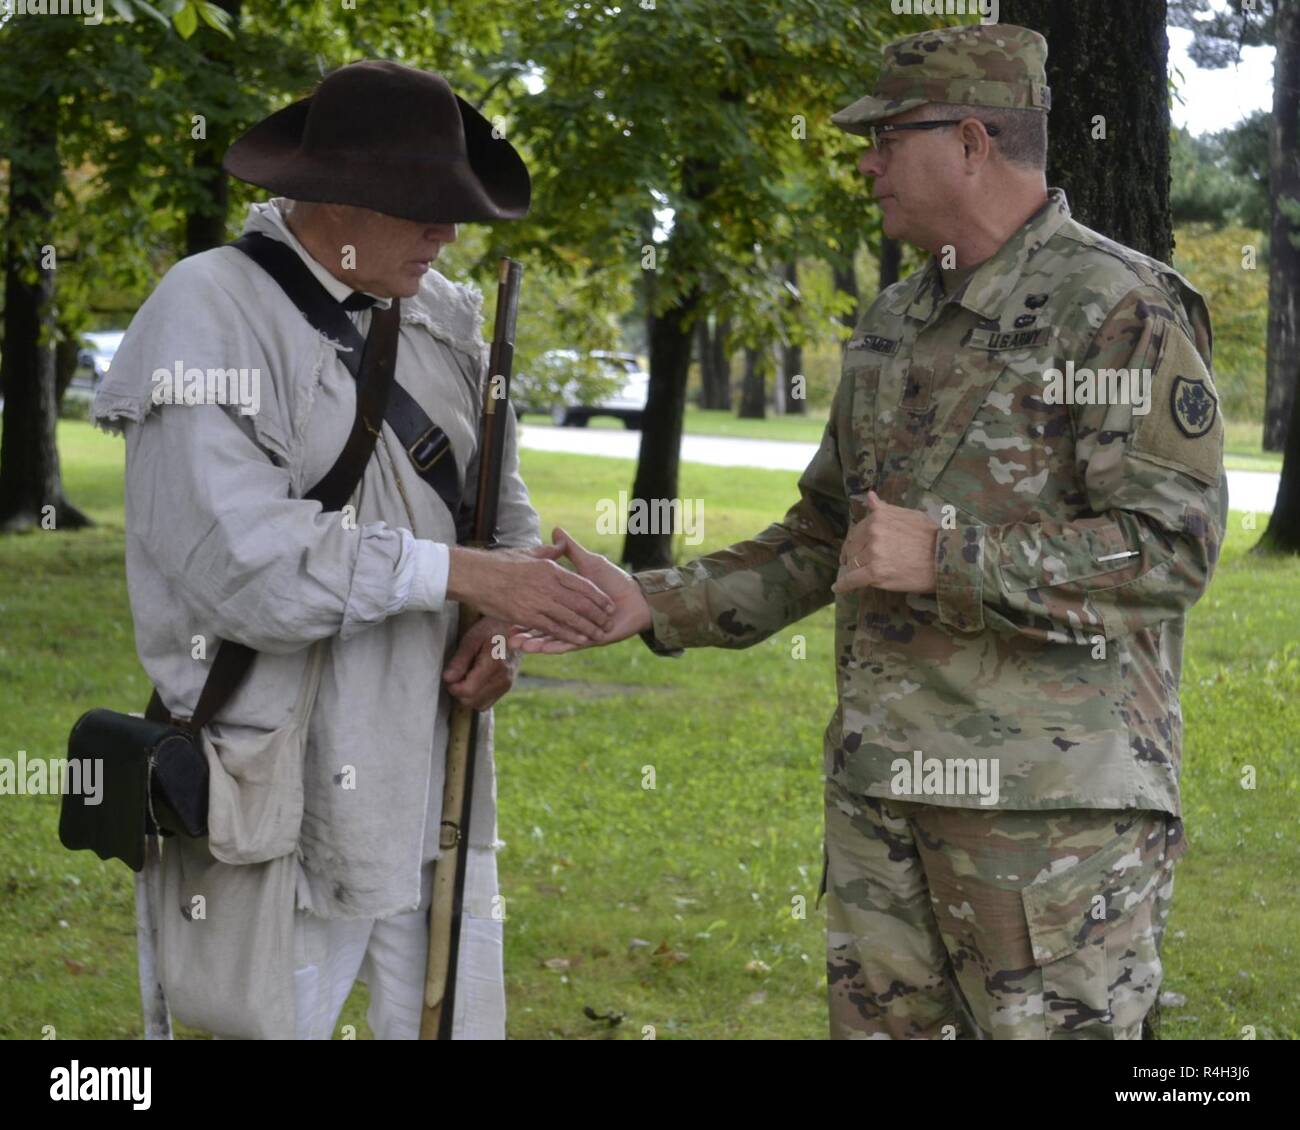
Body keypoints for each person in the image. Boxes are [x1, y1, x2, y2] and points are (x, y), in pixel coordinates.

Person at [515, 24, 1227, 1039]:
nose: (866, 161)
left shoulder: (1118, 309)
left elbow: (1172, 548)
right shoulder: (893, 320)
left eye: (889, 136)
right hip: (880, 802)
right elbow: (824, 534)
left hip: (1045, 823)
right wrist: (649, 600)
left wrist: (947, 558)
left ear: (972, 142)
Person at [92, 60, 614, 1040]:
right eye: (423, 206)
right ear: (335, 200)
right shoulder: (208, 308)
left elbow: (492, 512)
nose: (448, 233)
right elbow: (245, 565)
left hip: (432, 773)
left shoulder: (444, 319)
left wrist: (497, 621)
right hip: (276, 780)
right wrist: (463, 574)